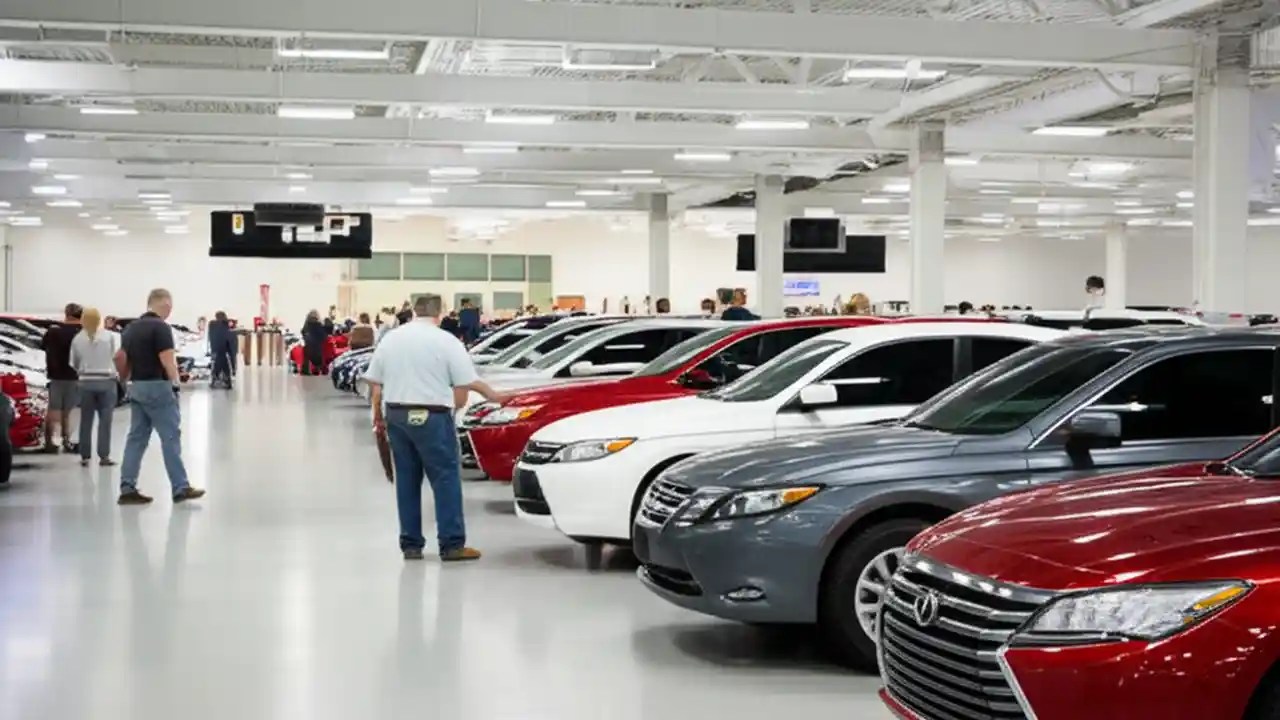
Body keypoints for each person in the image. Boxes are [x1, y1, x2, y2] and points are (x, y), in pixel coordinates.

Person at [363, 294, 510, 562]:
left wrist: (378, 416)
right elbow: (468, 381)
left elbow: (375, 383)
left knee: (406, 481)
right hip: (432, 417)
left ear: (414, 311)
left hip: (397, 414)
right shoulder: (446, 341)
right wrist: (496, 397)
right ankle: (452, 544)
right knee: (445, 479)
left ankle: (410, 544)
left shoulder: (391, 339)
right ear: (439, 313)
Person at [115, 288, 205, 505]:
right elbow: (167, 359)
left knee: (136, 439)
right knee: (170, 437)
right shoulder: (161, 328)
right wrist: (175, 384)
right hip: (158, 387)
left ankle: (127, 488)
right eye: (170, 307)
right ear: (165, 305)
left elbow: (120, 357)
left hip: (137, 386)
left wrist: (124, 380)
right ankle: (180, 487)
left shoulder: (130, 329)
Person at [70, 307, 119, 467]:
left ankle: (85, 456)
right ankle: (104, 456)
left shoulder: (77, 339)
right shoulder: (110, 337)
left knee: (86, 420)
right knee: (106, 421)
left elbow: (74, 363)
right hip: (107, 381)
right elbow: (116, 357)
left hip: (85, 382)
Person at [40, 302, 83, 453]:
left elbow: (43, 347)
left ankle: (49, 442)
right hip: (73, 376)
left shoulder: (52, 332)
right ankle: (67, 441)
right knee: (68, 412)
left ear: (66, 314)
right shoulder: (81, 334)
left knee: (53, 410)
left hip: (55, 376)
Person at [208, 311, 237, 389]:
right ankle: (226, 376)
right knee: (224, 356)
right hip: (226, 349)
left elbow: (211, 339)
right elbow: (232, 341)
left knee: (220, 356)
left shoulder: (212, 325)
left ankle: (216, 375)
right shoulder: (229, 325)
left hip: (215, 349)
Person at [301, 310, 327, 375]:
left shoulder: (306, 326)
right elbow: (324, 337)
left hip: (309, 349)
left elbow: (303, 332)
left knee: (306, 352)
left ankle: (306, 369)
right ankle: (319, 368)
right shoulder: (319, 326)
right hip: (318, 350)